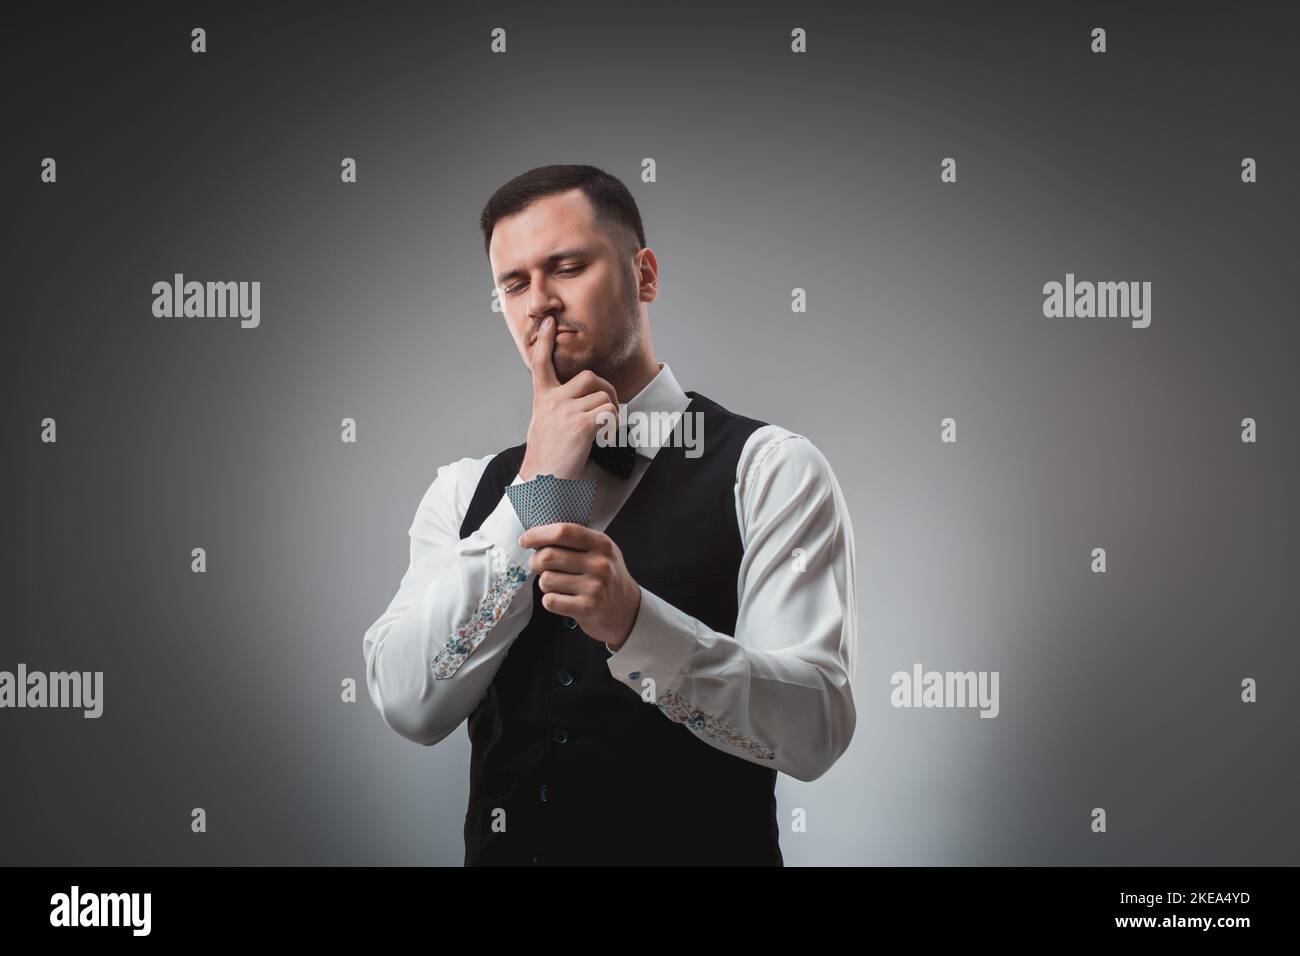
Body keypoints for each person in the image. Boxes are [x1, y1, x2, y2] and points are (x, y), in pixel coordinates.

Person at [362, 164, 857, 866]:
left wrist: (637, 625)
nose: (540, 303)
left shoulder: (771, 469)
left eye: (566, 266)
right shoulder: (463, 491)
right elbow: (413, 705)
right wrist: (537, 483)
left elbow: (813, 733)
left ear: (644, 274)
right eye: (514, 283)